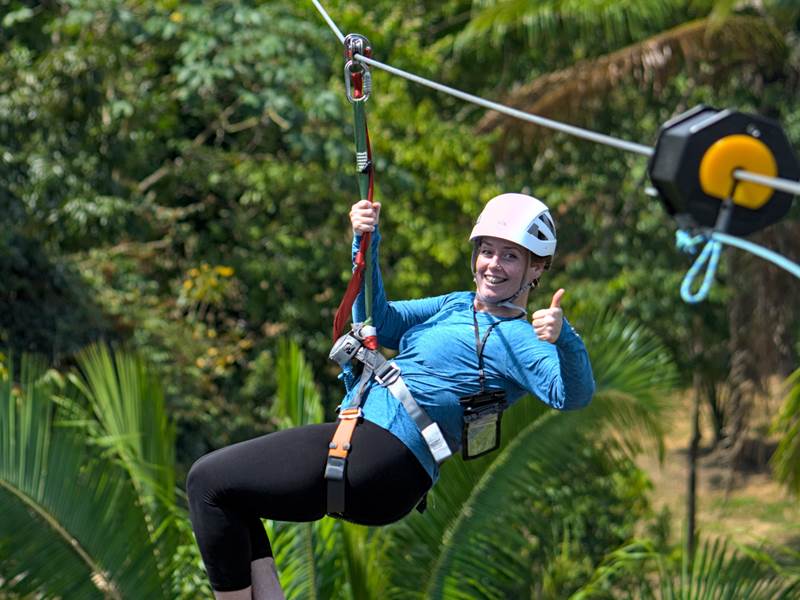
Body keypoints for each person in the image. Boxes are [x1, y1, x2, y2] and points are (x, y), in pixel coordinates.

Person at [187, 192, 595, 599]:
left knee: (207, 481)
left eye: (510, 256)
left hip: (384, 454)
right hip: (375, 457)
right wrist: (366, 239)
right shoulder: (456, 305)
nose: (492, 264)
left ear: (536, 268)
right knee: (232, 500)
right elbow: (380, 320)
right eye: (487, 251)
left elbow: (571, 395)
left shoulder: (520, 339)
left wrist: (565, 339)